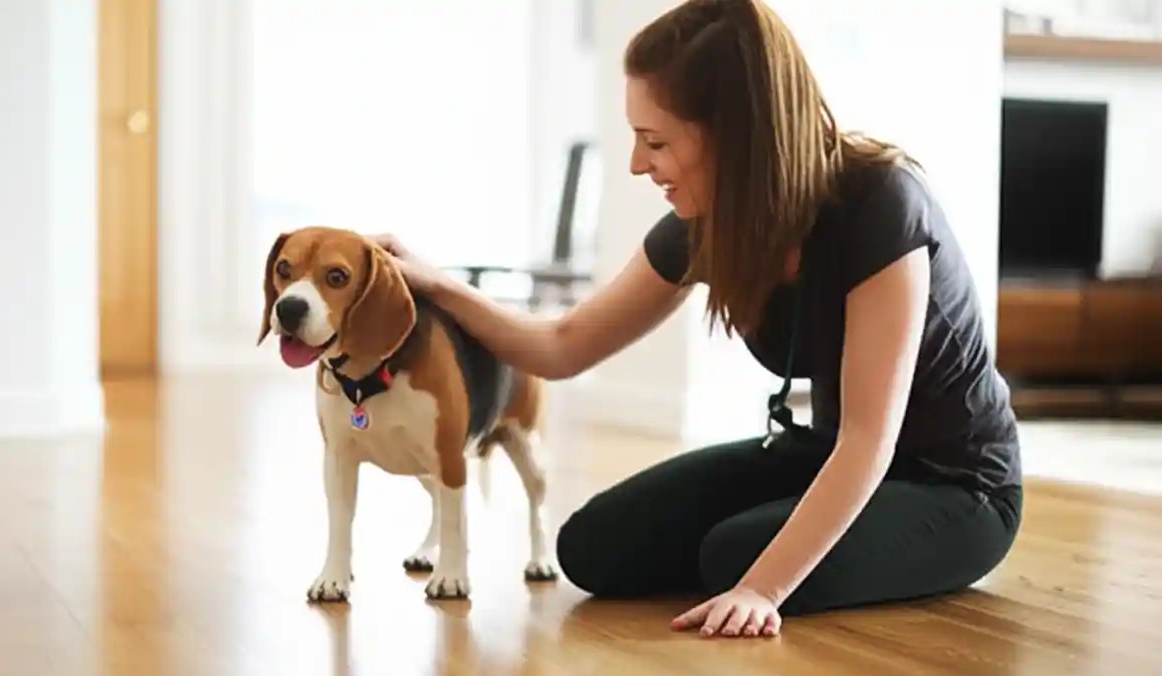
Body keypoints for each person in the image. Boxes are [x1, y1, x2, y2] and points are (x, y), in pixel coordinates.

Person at [371, 0, 1022, 639]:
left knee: (735, 559)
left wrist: (762, 590)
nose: (635, 164)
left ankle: (751, 560)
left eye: (655, 141)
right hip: (826, 457)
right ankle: (746, 553)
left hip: (956, 487)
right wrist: (438, 283)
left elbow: (866, 440)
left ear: (736, 137)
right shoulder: (704, 231)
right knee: (595, 547)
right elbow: (562, 346)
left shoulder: (882, 205)